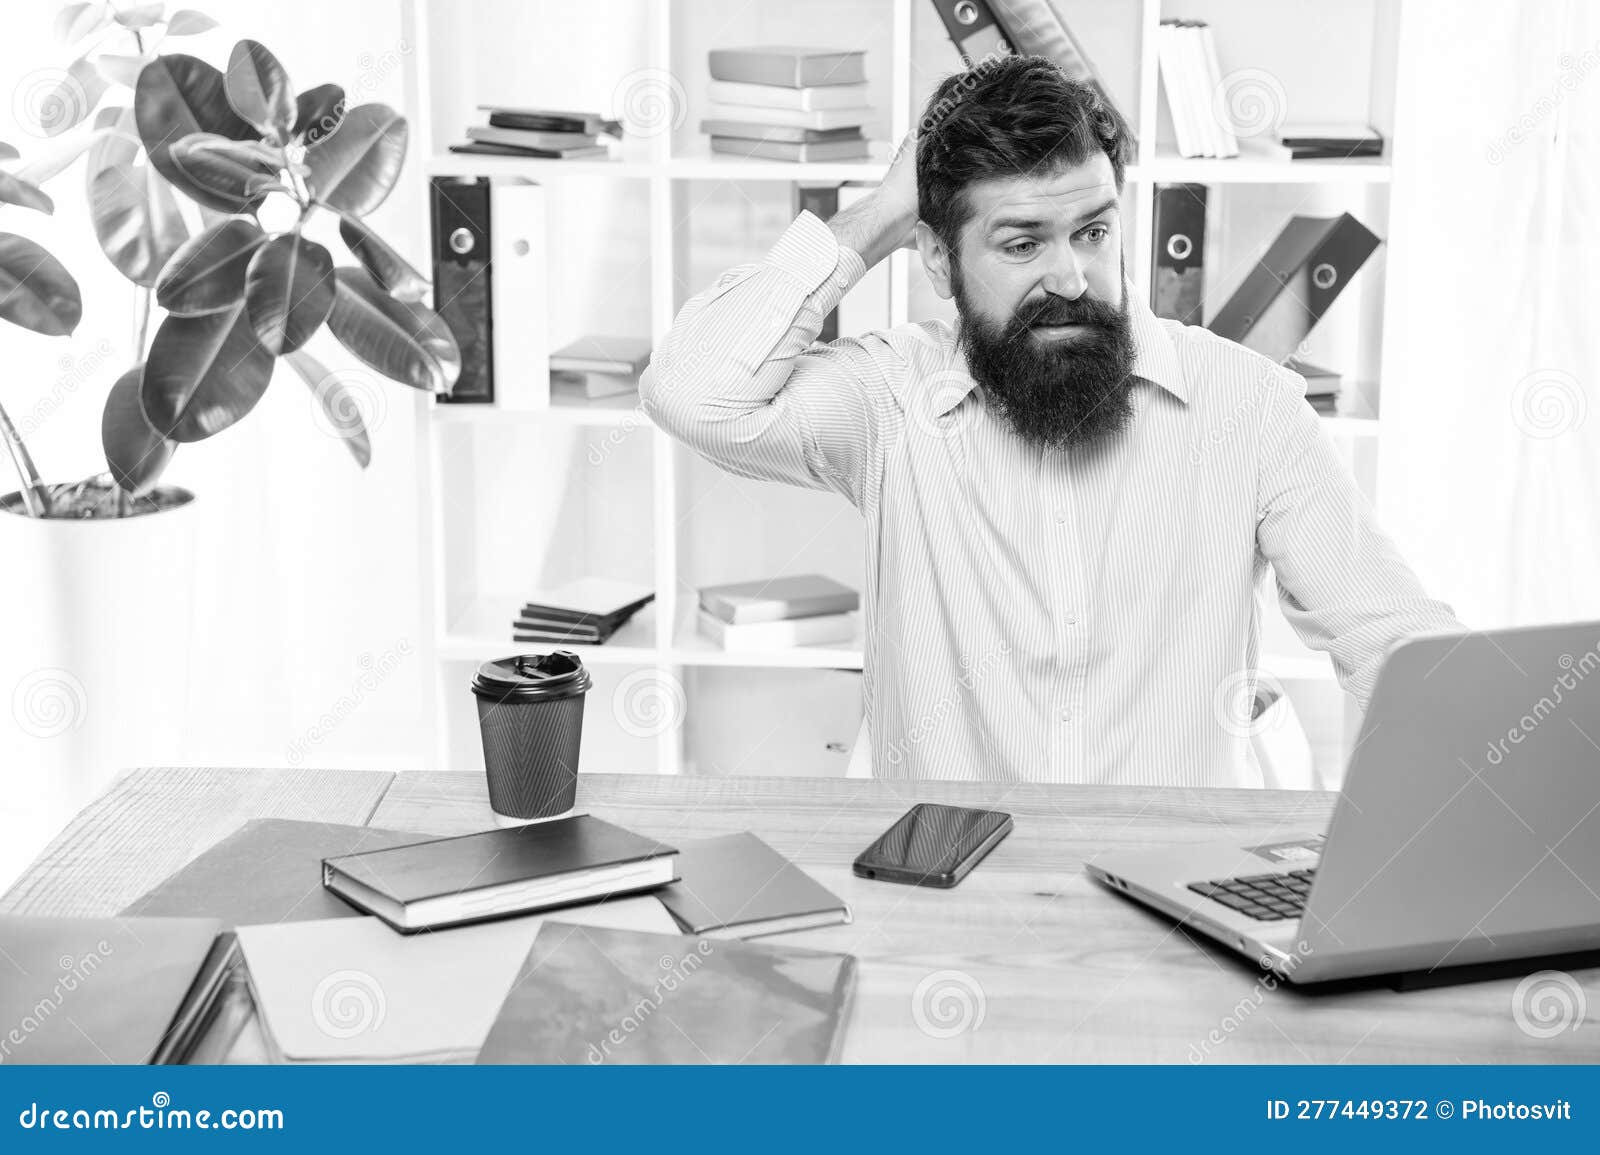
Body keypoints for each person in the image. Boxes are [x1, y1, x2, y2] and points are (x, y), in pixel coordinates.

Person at [640, 55, 1462, 785]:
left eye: (1093, 231)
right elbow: (693, 393)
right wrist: (881, 214)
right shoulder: (891, 399)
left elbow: (1397, 645)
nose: (1071, 278)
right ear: (937, 257)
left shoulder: (1249, 406)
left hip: (1172, 887)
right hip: (935, 880)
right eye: (1023, 244)